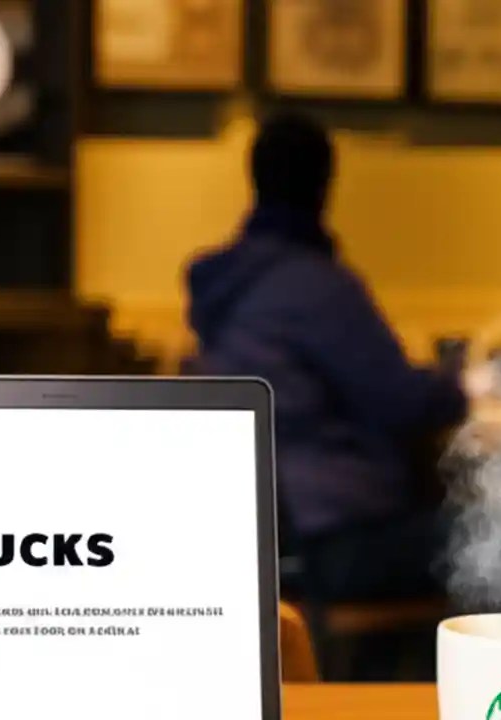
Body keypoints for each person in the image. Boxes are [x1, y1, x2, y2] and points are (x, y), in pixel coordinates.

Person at [183, 112, 468, 602]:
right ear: (324, 185)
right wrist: (456, 384)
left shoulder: (224, 287)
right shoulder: (316, 286)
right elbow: (403, 402)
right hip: (335, 537)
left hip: (263, 533)